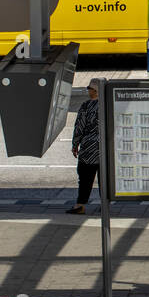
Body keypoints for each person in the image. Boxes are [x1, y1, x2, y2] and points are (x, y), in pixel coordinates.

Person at [67, 81, 100, 215]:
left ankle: (80, 205)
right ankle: (106, 205)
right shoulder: (109, 105)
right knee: (105, 178)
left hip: (89, 148)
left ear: (96, 91)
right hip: (105, 148)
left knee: (85, 177)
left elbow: (79, 127)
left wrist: (75, 144)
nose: (88, 91)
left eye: (90, 88)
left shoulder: (87, 106)